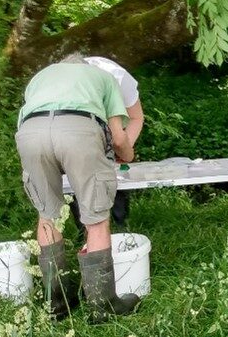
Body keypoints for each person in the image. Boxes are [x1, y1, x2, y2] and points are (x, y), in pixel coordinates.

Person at [15, 56, 140, 322]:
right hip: (79, 131)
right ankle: (103, 307)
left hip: (30, 134)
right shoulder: (103, 77)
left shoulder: (41, 76)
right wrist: (128, 155)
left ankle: (57, 304)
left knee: (47, 216)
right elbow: (119, 138)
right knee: (96, 219)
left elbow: (29, 122)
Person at [69, 56, 144, 233]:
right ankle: (85, 231)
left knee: (115, 174)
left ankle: (121, 228)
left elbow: (136, 118)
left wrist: (124, 149)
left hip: (110, 130)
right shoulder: (61, 81)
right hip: (73, 133)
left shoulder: (118, 78)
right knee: (79, 176)